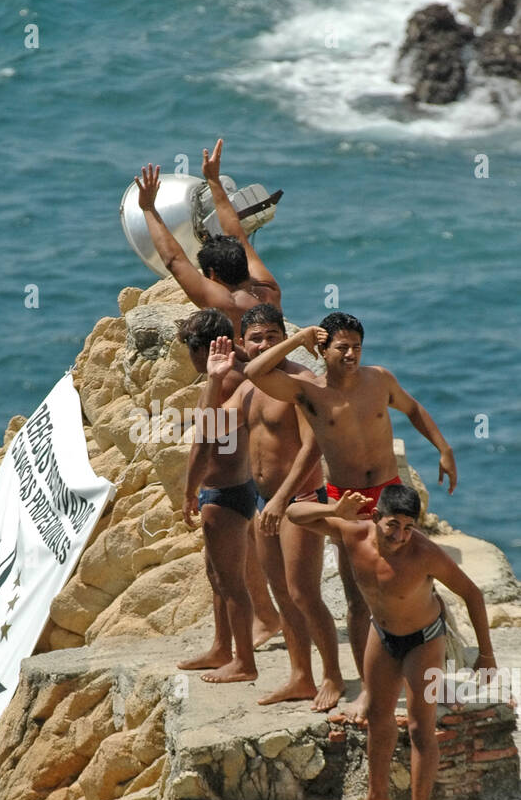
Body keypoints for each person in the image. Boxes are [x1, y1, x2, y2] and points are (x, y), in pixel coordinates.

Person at [243, 310, 457, 723]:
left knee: (417, 581)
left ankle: (431, 674)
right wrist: (296, 337)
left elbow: (412, 409)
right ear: (322, 350)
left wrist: (443, 449)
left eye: (357, 346)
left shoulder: (379, 380)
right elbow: (254, 370)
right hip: (348, 501)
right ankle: (369, 689)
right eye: (341, 347)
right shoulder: (309, 392)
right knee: (359, 596)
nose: (351, 354)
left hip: (390, 494)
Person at [286, 482, 497, 800]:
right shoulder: (351, 533)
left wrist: (487, 655)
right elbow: (292, 512)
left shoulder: (426, 554)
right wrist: (332, 512)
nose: (400, 536)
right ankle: (376, 798)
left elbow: (473, 594)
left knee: (420, 728)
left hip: (426, 640)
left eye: (408, 527)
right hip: (381, 635)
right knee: (378, 719)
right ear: (375, 517)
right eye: (392, 525)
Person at [205, 314, 344, 709]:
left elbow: (311, 446)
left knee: (305, 593)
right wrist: (214, 379)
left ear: (286, 338)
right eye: (255, 339)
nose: (263, 345)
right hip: (265, 502)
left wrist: (283, 498)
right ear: (242, 343)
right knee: (282, 593)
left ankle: (331, 676)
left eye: (272, 337)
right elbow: (211, 425)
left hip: (299, 500)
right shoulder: (250, 388)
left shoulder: (300, 384)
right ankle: (301, 677)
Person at [175, 309, 265, 684]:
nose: (190, 359)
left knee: (231, 583)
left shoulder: (224, 382)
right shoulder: (239, 373)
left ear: (204, 349)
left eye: (191, 350)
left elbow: (205, 440)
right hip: (236, 487)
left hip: (224, 492)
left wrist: (189, 491)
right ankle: (221, 648)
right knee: (217, 576)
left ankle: (243, 661)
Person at [134, 138, 281, 339]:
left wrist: (148, 208)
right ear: (244, 263)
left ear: (212, 275)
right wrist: (213, 179)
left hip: (251, 368)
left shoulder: (225, 303)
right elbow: (236, 233)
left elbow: (174, 260)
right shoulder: (268, 288)